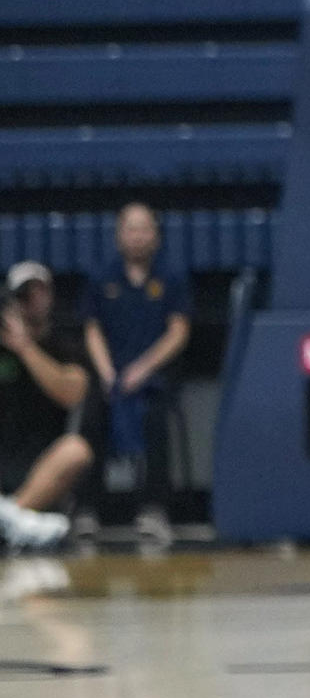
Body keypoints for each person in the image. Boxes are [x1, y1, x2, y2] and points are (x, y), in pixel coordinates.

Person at [81, 203, 188, 531]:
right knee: (92, 417)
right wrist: (107, 374)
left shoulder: (171, 276)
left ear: (156, 235)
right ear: (119, 235)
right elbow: (92, 329)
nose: (138, 236)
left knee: (155, 418)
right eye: (131, 229)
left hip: (154, 375)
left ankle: (154, 509)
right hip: (111, 375)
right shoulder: (102, 277)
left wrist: (142, 369)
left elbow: (178, 331)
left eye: (144, 229)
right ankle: (86, 508)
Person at [0, 260, 91, 549]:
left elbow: (73, 392)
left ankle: (11, 517)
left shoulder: (64, 343)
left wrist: (25, 348)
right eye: (25, 295)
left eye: (40, 292)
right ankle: (15, 523)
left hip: (41, 462)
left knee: (76, 450)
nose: (34, 301)